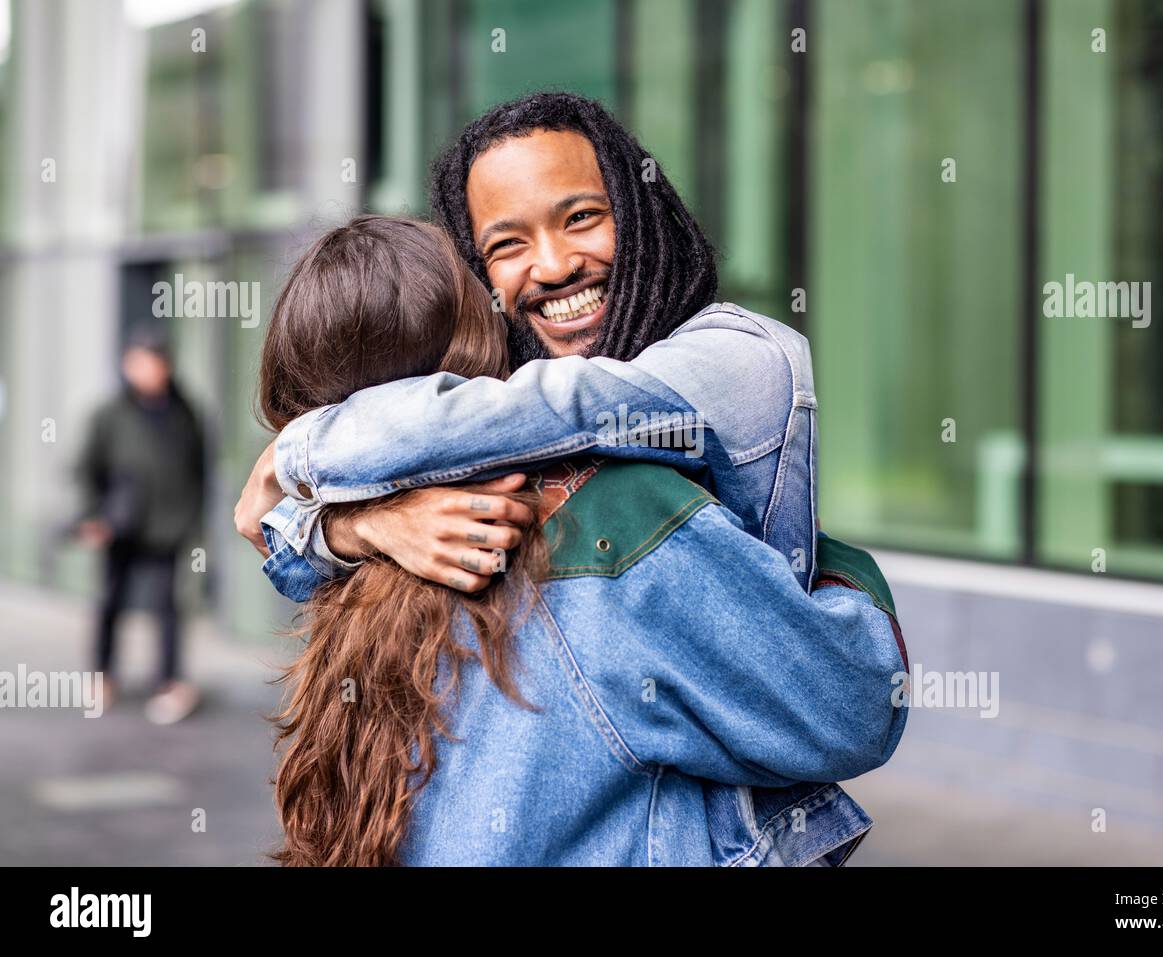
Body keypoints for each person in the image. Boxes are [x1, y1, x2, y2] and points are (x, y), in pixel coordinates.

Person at [236, 92, 907, 865]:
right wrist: (847, 576)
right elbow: (851, 708)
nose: (554, 265)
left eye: (583, 217)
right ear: (478, 287)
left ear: (639, 207)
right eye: (507, 244)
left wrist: (322, 476)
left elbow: (572, 404)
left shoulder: (733, 358)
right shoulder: (611, 513)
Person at [77, 327, 206, 724]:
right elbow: (88, 470)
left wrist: (189, 517)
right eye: (140, 361)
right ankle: (102, 678)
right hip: (121, 526)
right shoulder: (110, 414)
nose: (148, 370)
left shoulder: (184, 412)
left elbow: (198, 468)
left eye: (155, 361)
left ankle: (169, 682)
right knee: (110, 601)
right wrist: (94, 516)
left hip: (167, 527)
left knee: (167, 607)